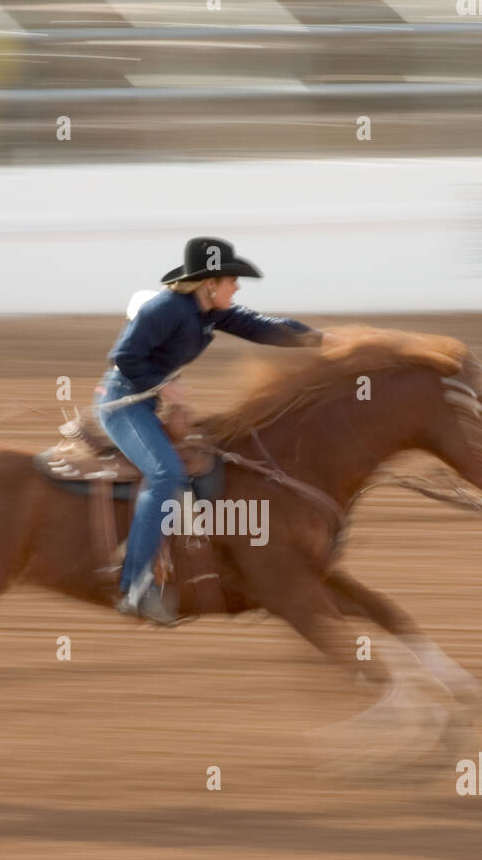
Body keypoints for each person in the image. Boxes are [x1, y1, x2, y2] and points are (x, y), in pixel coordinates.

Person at [95, 236, 327, 624]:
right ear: (209, 284)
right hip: (123, 405)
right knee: (165, 472)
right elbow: (123, 357)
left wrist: (323, 340)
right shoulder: (165, 308)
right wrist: (163, 383)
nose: (236, 287)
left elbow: (264, 328)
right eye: (231, 280)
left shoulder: (211, 313)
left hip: (147, 405)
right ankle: (133, 584)